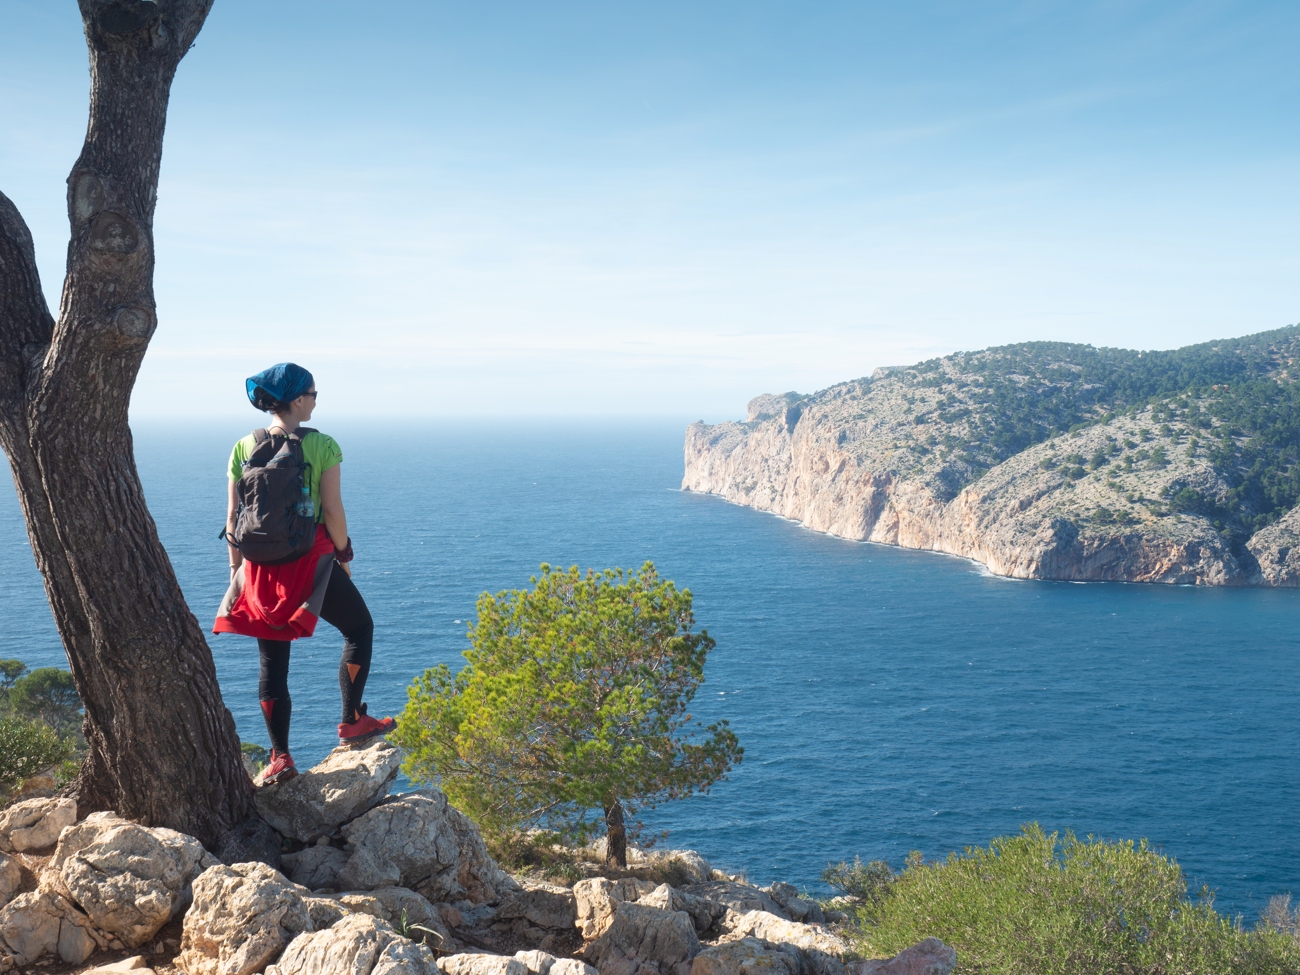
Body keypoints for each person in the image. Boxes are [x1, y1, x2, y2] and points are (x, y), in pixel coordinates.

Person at [214, 362, 394, 785]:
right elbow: (332, 510)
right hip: (310, 561)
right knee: (359, 628)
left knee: (272, 662)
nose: (315, 400)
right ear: (297, 399)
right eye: (313, 393)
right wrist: (344, 555)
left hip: (259, 568)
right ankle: (351, 721)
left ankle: (280, 756)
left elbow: (232, 517)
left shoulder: (243, 446)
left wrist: (237, 574)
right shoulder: (323, 445)